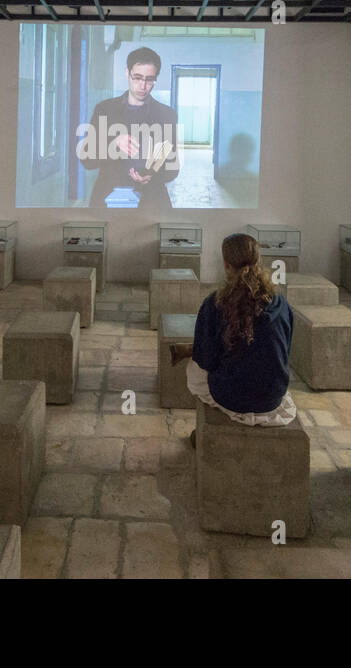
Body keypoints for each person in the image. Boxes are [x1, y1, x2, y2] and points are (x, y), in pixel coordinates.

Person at [186, 233, 297, 442]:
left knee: (193, 371)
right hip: (272, 395)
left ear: (226, 264)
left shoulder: (214, 304)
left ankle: (210, 434)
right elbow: (285, 349)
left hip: (231, 396)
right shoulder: (280, 302)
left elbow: (205, 360)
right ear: (258, 261)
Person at [78, 46, 179, 208]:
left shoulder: (167, 115)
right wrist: (113, 142)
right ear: (127, 73)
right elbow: (87, 161)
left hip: (151, 199)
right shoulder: (104, 109)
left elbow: (173, 169)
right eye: (137, 77)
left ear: (155, 78)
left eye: (149, 79)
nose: (143, 86)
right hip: (107, 198)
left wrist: (152, 175)